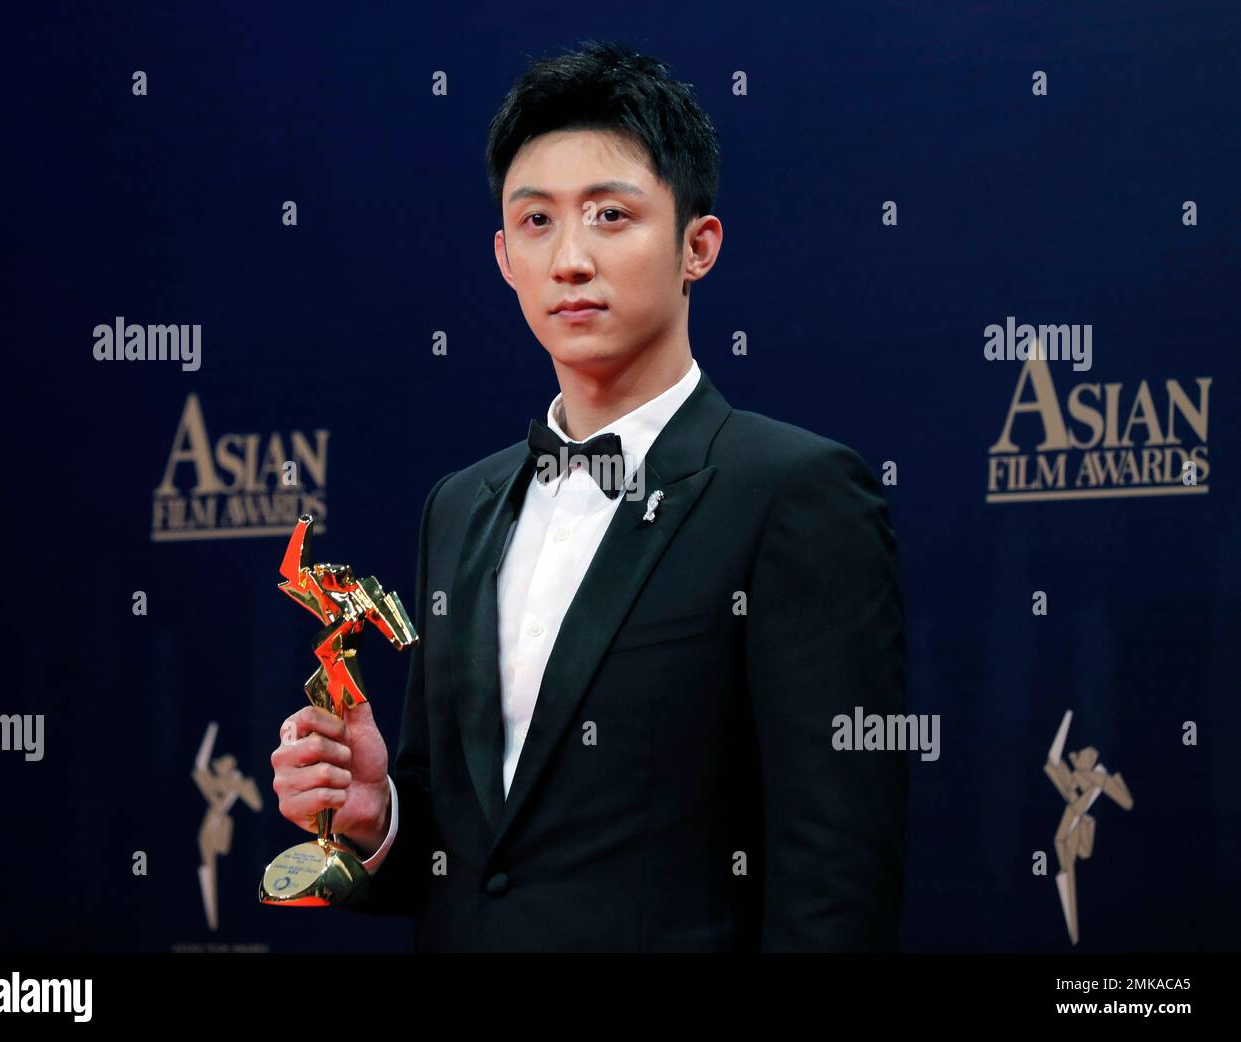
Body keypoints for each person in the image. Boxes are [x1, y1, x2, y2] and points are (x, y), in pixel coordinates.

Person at [270, 39, 907, 951]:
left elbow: (836, 874)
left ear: (699, 245)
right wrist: (380, 815)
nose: (570, 258)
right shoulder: (458, 507)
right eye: (536, 223)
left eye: (611, 216)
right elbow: (473, 862)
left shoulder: (795, 493)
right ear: (502, 257)